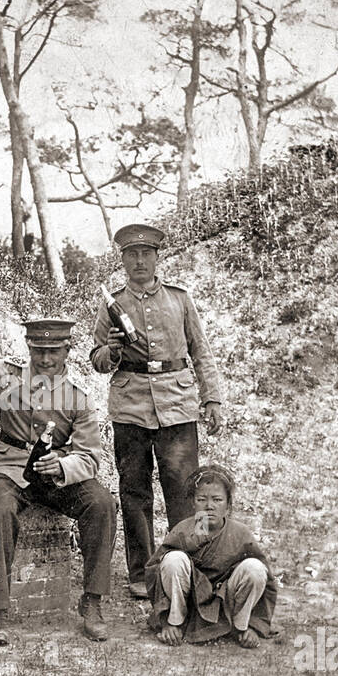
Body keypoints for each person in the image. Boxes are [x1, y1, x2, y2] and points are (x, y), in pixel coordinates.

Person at [90, 223, 224, 599]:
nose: (138, 262)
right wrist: (112, 350)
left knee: (183, 491)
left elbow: (200, 351)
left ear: (156, 258)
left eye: (145, 254)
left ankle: (185, 566)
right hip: (130, 407)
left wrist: (211, 398)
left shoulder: (180, 299)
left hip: (177, 405)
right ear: (122, 261)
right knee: (134, 492)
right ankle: (142, 572)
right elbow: (97, 359)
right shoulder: (111, 304)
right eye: (131, 255)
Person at [0, 319, 117, 642]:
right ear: (29, 348)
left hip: (57, 476)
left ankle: (92, 601)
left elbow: (91, 456)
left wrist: (64, 465)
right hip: (11, 468)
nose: (46, 359)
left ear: (67, 350)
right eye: (39, 351)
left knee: (102, 504)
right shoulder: (9, 381)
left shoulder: (78, 398)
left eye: (54, 351)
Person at [144, 465, 276, 648]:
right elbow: (154, 572)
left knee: (255, 568)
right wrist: (164, 620)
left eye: (217, 500)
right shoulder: (184, 529)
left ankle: (242, 626)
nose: (209, 506)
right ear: (193, 503)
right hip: (189, 603)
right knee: (172, 560)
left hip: (226, 602)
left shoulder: (240, 533)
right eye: (201, 499)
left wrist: (256, 624)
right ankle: (175, 622)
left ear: (228, 505)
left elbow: (266, 580)